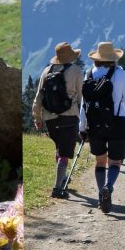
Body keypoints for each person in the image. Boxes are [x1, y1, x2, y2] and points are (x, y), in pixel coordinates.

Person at [79, 42, 125, 214]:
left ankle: (100, 194)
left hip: (94, 124)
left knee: (100, 161)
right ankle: (108, 187)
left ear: (97, 58)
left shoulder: (89, 74)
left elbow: (84, 104)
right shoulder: (120, 74)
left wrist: (82, 126)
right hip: (117, 122)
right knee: (115, 161)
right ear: (113, 58)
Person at [32, 42, 84, 199]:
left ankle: (62, 179)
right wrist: (84, 117)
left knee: (60, 148)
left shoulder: (46, 71)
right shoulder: (75, 70)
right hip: (69, 116)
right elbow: (82, 96)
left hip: (50, 118)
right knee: (65, 152)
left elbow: (38, 97)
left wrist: (38, 117)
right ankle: (57, 188)